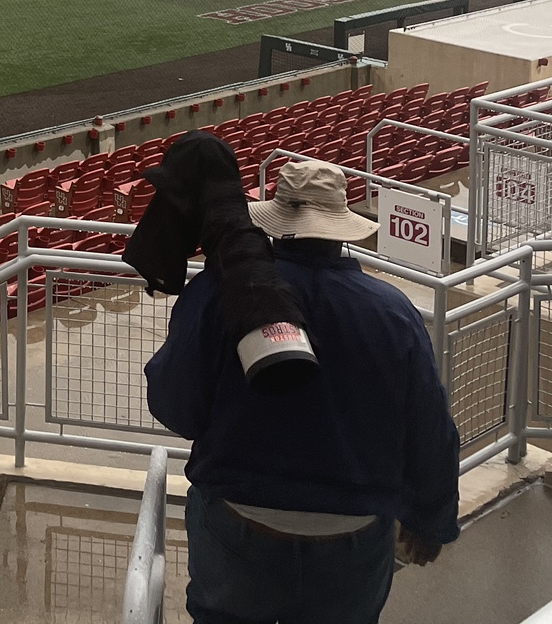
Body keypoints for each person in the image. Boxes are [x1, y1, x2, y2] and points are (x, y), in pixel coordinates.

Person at [145, 157, 460, 624]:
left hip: (236, 522)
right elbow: (431, 429)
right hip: (352, 537)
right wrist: (430, 522)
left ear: (277, 220)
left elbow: (175, 406)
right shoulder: (395, 313)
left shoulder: (218, 293)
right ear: (340, 227)